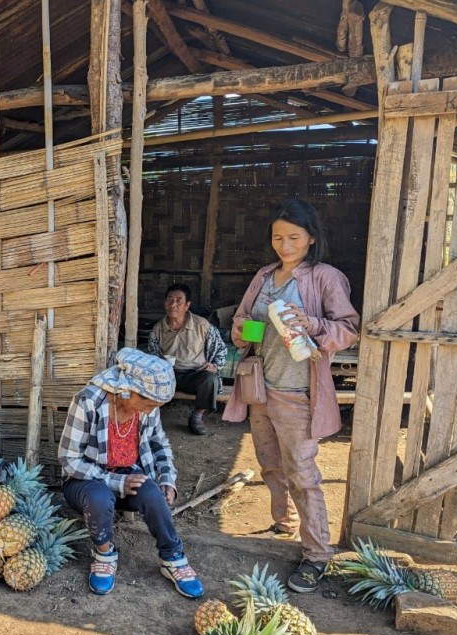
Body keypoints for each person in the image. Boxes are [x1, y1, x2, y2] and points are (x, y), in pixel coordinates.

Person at [224, 198, 360, 593]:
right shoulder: (265, 275)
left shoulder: (324, 278)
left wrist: (313, 323)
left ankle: (317, 555)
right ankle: (283, 523)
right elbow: (244, 318)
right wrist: (240, 331)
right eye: (278, 237)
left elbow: (348, 329)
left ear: (311, 238)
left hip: (298, 390)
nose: (284, 245)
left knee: (303, 473)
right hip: (260, 387)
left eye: (293, 237)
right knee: (269, 462)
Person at [58, 347, 204, 599]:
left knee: (152, 494)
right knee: (99, 497)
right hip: (85, 480)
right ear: (128, 389)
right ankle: (104, 552)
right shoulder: (89, 401)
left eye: (155, 406)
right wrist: (116, 482)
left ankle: (172, 557)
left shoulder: (147, 407)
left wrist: (167, 479)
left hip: (129, 473)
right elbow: (69, 460)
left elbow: (160, 444)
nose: (149, 410)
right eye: (148, 403)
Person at [146, 284, 228, 436]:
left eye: (179, 301)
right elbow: (153, 356)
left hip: (195, 374)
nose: (173, 304)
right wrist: (159, 366)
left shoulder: (202, 325)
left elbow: (221, 349)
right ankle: (151, 418)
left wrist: (215, 366)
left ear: (187, 305)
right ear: (165, 303)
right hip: (169, 376)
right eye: (170, 300)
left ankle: (197, 416)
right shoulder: (158, 329)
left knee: (210, 380)